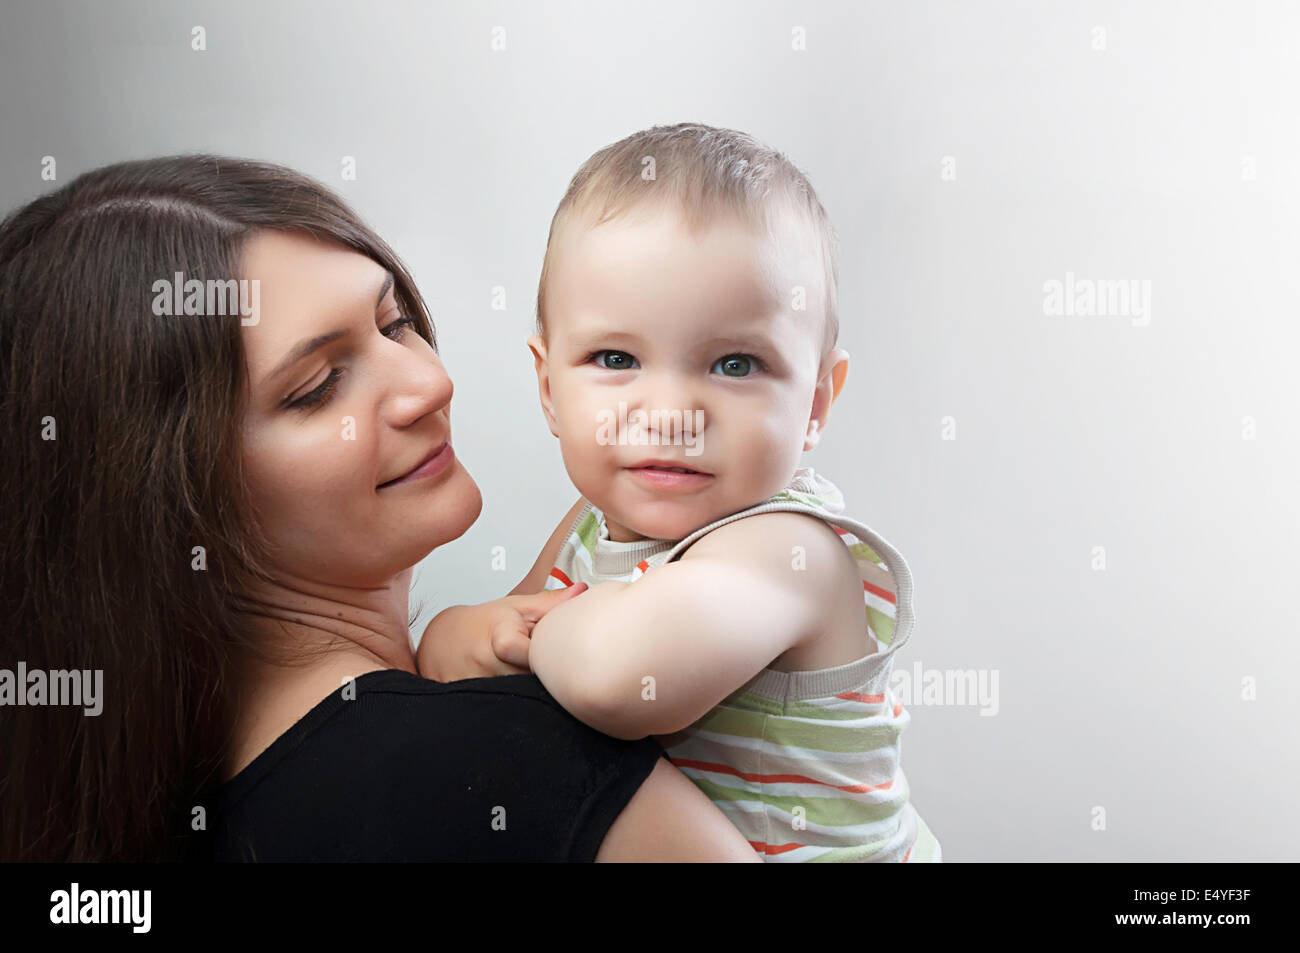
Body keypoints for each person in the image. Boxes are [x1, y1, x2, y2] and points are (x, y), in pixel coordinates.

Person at [0, 155, 759, 862]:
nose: (428, 384)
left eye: (394, 323)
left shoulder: (149, 810)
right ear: (169, 498)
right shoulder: (512, 764)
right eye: (317, 386)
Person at [418, 123, 942, 861]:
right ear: (548, 387)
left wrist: (525, 636)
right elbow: (471, 653)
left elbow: (618, 678)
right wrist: (457, 628)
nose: (670, 415)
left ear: (817, 402)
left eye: (734, 364)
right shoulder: (594, 524)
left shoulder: (791, 549)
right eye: (615, 357)